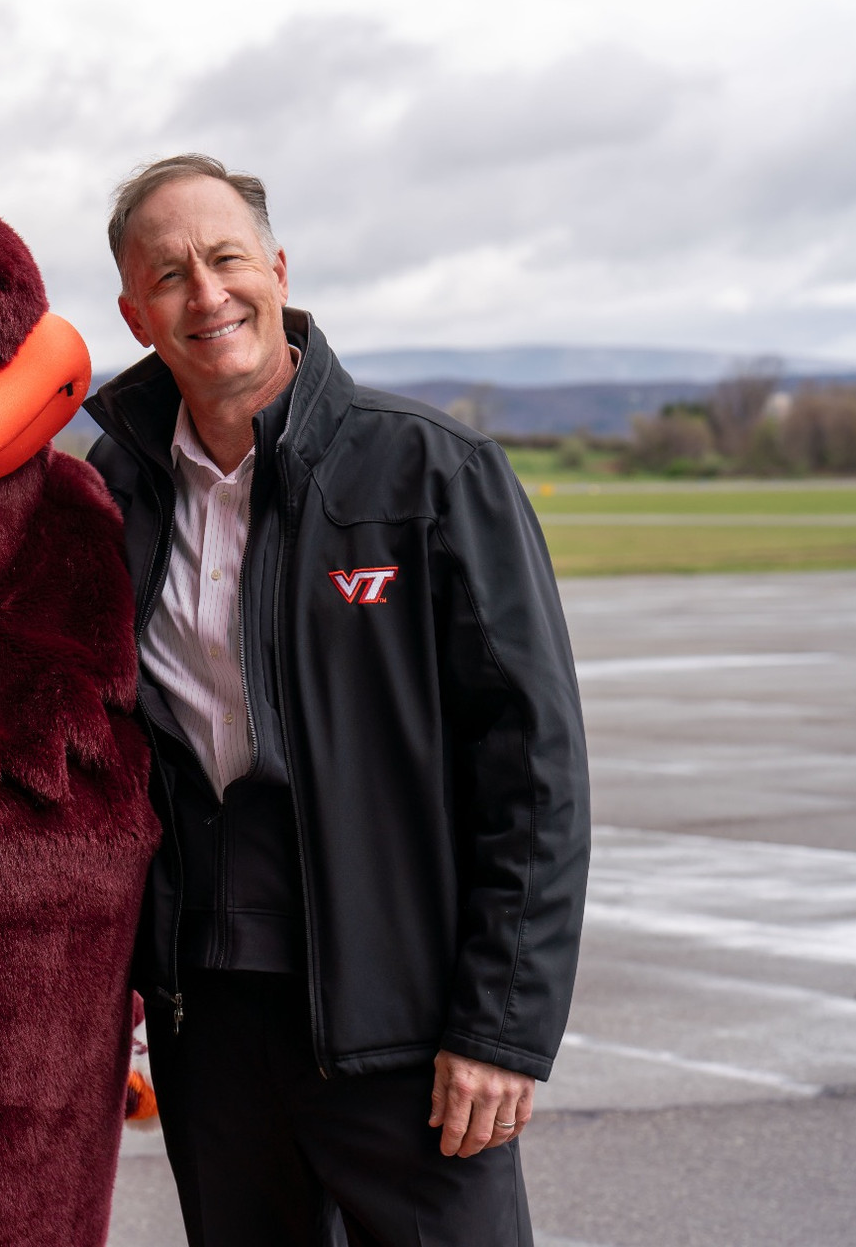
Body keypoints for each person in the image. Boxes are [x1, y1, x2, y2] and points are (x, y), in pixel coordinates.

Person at [84, 155, 590, 1246]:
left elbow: (535, 771)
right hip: (210, 1025)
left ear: (276, 268)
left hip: (399, 1024)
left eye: (225, 259)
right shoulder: (109, 496)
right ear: (135, 315)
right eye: (169, 275)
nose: (206, 294)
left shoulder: (432, 473)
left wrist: (502, 1029)